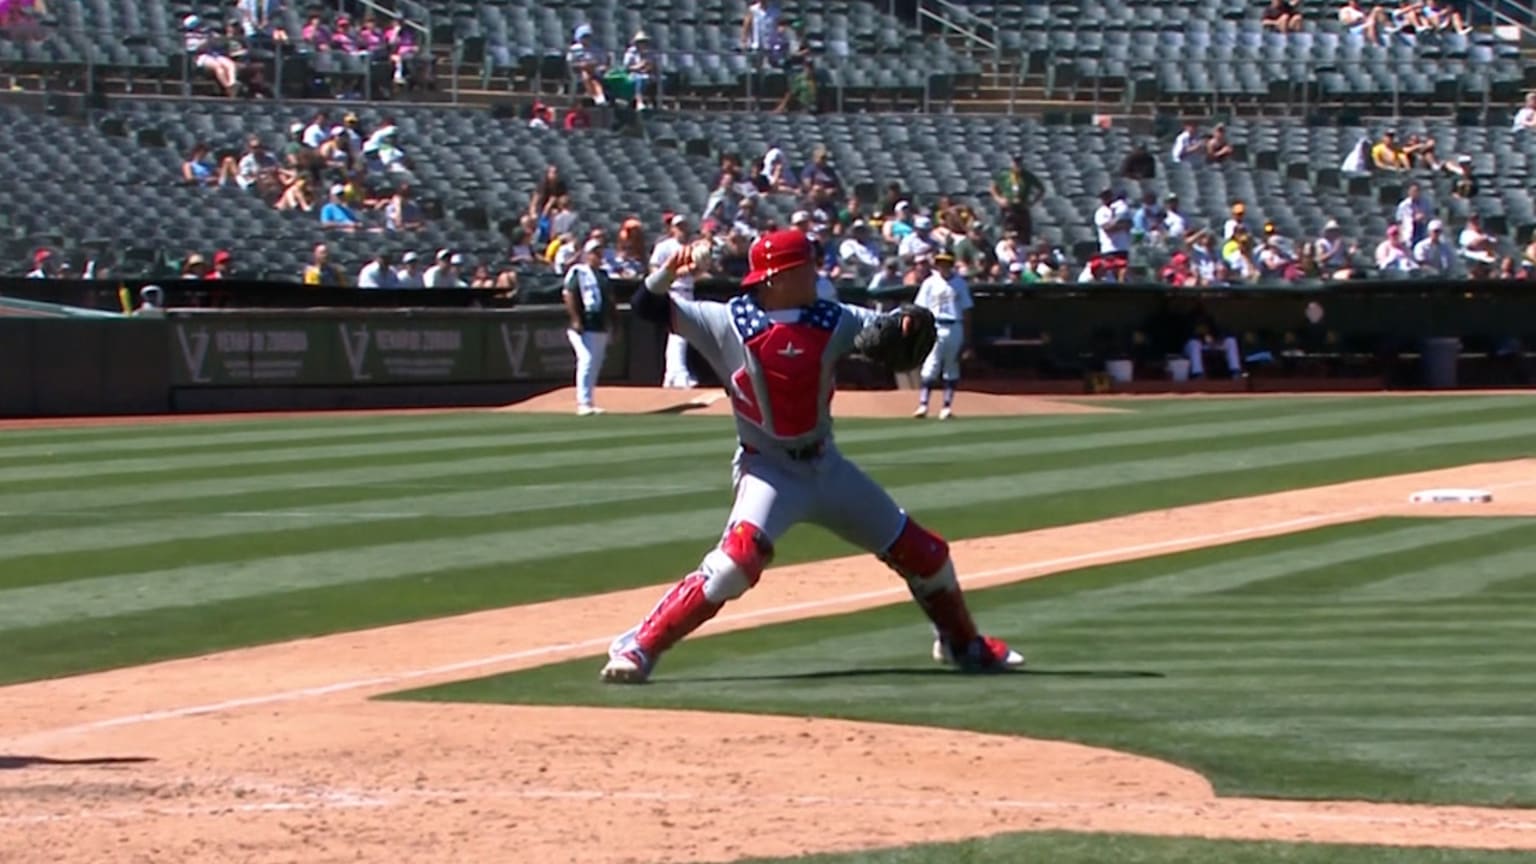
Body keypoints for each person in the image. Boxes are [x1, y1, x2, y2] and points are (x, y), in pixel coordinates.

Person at [602, 228, 1025, 683]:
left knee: (927, 555)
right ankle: (640, 646)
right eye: (804, 266)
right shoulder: (725, 321)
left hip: (826, 466)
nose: (813, 272)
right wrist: (665, 274)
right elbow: (646, 308)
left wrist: (906, 321)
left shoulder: (832, 318)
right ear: (776, 277)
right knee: (735, 565)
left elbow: (885, 325)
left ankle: (964, 644)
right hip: (768, 470)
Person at [911, 251, 974, 421]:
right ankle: (923, 405)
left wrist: (967, 340)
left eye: (945, 263)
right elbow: (920, 309)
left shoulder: (960, 283)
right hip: (934, 325)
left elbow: (967, 310)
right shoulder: (930, 283)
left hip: (954, 325)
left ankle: (946, 407)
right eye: (939, 263)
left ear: (951, 264)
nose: (942, 266)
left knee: (951, 366)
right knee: (930, 365)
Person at [563, 239, 618, 416]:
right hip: (583, 324)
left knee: (595, 362)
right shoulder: (578, 271)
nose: (598, 256)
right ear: (587, 254)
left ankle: (589, 401)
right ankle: (583, 403)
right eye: (594, 252)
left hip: (599, 324)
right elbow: (569, 293)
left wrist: (615, 324)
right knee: (586, 360)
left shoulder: (603, 275)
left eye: (600, 252)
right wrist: (575, 319)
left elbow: (610, 301)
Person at [649, 213, 699, 388]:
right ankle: (679, 374)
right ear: (672, 229)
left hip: (688, 291)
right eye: (678, 226)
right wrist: (675, 273)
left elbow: (697, 272)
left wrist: (695, 269)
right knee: (678, 333)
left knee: (682, 334)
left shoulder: (693, 247)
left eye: (684, 226)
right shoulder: (665, 246)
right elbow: (654, 269)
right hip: (673, 291)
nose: (682, 230)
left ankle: (672, 374)